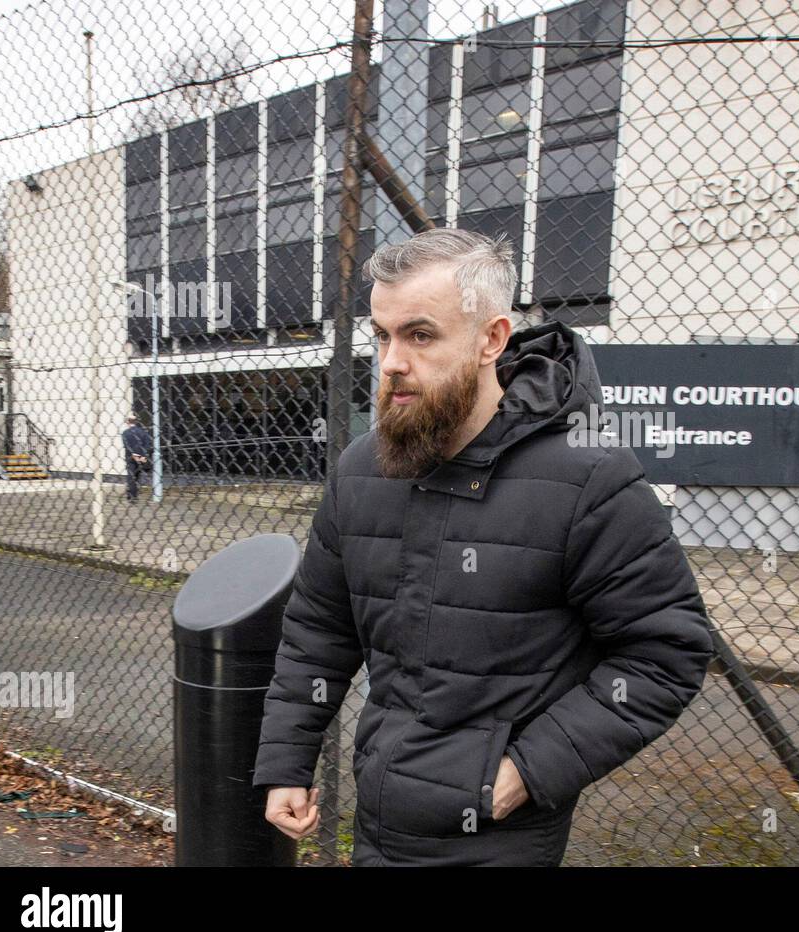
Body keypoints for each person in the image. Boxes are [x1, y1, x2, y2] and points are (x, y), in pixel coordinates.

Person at [252, 228, 715, 866]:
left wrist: (525, 771)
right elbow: (319, 633)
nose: (390, 362)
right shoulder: (364, 470)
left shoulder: (588, 479)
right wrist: (286, 762)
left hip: (499, 840)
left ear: (491, 340)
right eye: (382, 335)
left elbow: (666, 654)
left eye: (419, 335)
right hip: (380, 823)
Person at [121, 415, 152, 502]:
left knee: (131, 477)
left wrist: (134, 455)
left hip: (130, 457)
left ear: (128, 422)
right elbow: (147, 444)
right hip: (141, 458)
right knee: (137, 476)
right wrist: (143, 456)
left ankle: (132, 495)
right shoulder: (143, 432)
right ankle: (134, 493)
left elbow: (126, 446)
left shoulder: (125, 433)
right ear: (136, 422)